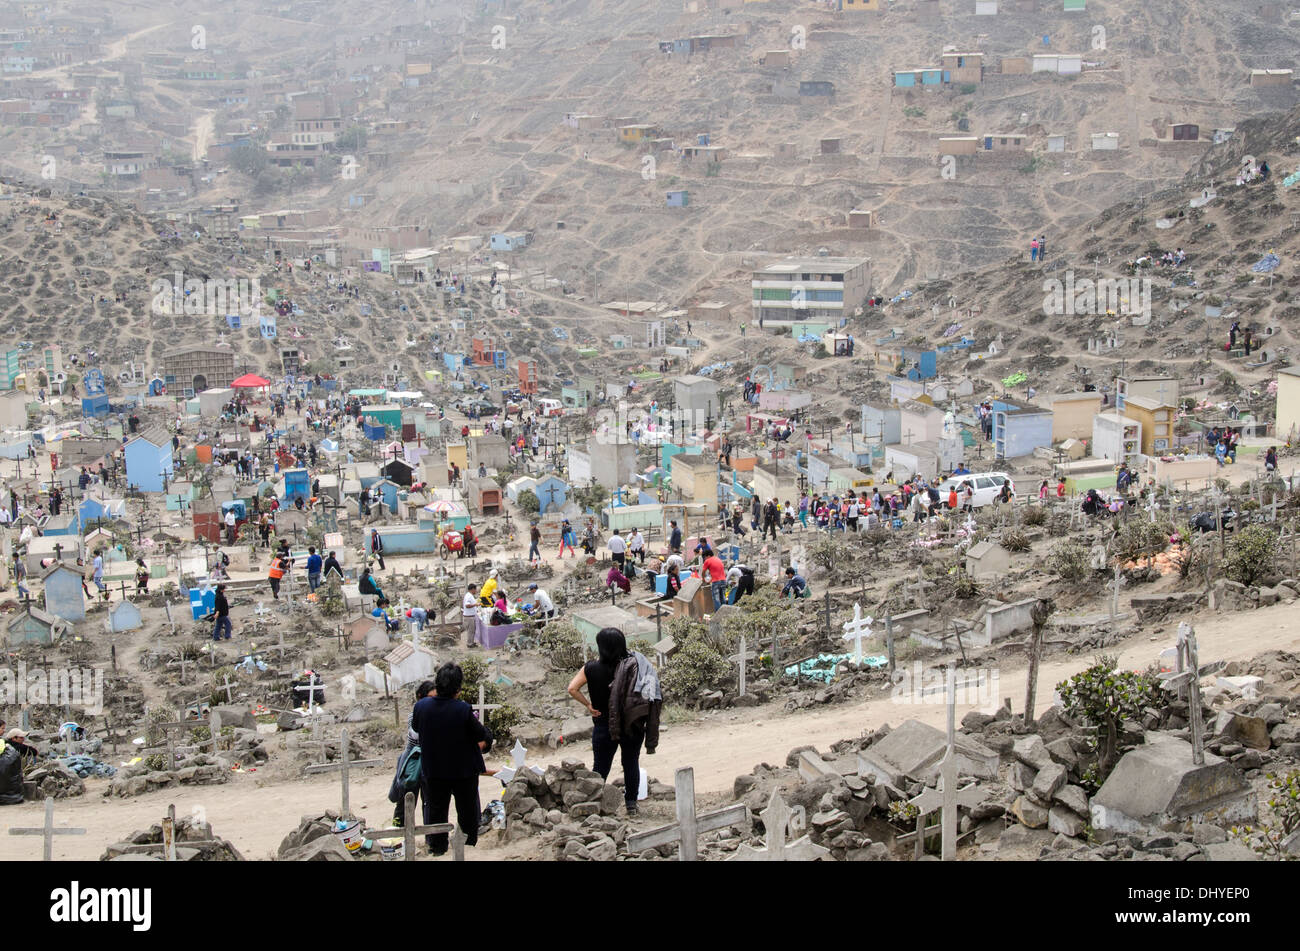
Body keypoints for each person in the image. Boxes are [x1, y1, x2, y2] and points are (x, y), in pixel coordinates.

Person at [567, 628, 660, 818]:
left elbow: (572, 688)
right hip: (631, 724)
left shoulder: (590, 668)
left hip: (603, 724)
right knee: (631, 763)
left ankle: (594, 805)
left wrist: (588, 705)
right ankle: (631, 805)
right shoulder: (635, 666)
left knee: (600, 767)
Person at [411, 663, 491, 854]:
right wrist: (487, 736)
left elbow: (415, 728)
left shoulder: (421, 707)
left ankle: (438, 847)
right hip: (462, 771)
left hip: (434, 769)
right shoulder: (461, 709)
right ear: (457, 688)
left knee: (437, 809)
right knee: (466, 809)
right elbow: (480, 734)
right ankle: (467, 843)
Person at [389, 680, 435, 824]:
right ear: (420, 697)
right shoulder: (414, 714)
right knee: (406, 796)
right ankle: (398, 834)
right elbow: (416, 735)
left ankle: (431, 840)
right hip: (413, 760)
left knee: (430, 802)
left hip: (430, 760)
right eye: (430, 697)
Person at [0, 730, 24, 805]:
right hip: (14, 796)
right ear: (14, 738)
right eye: (21, 737)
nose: (23, 739)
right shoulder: (12, 750)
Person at [461, 582, 479, 647]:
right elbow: (467, 605)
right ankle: (469, 644)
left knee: (472, 630)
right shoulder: (469, 596)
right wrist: (475, 604)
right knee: (470, 631)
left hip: (470, 616)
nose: (476, 591)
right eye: (475, 589)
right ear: (472, 589)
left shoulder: (470, 595)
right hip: (469, 617)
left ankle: (471, 642)